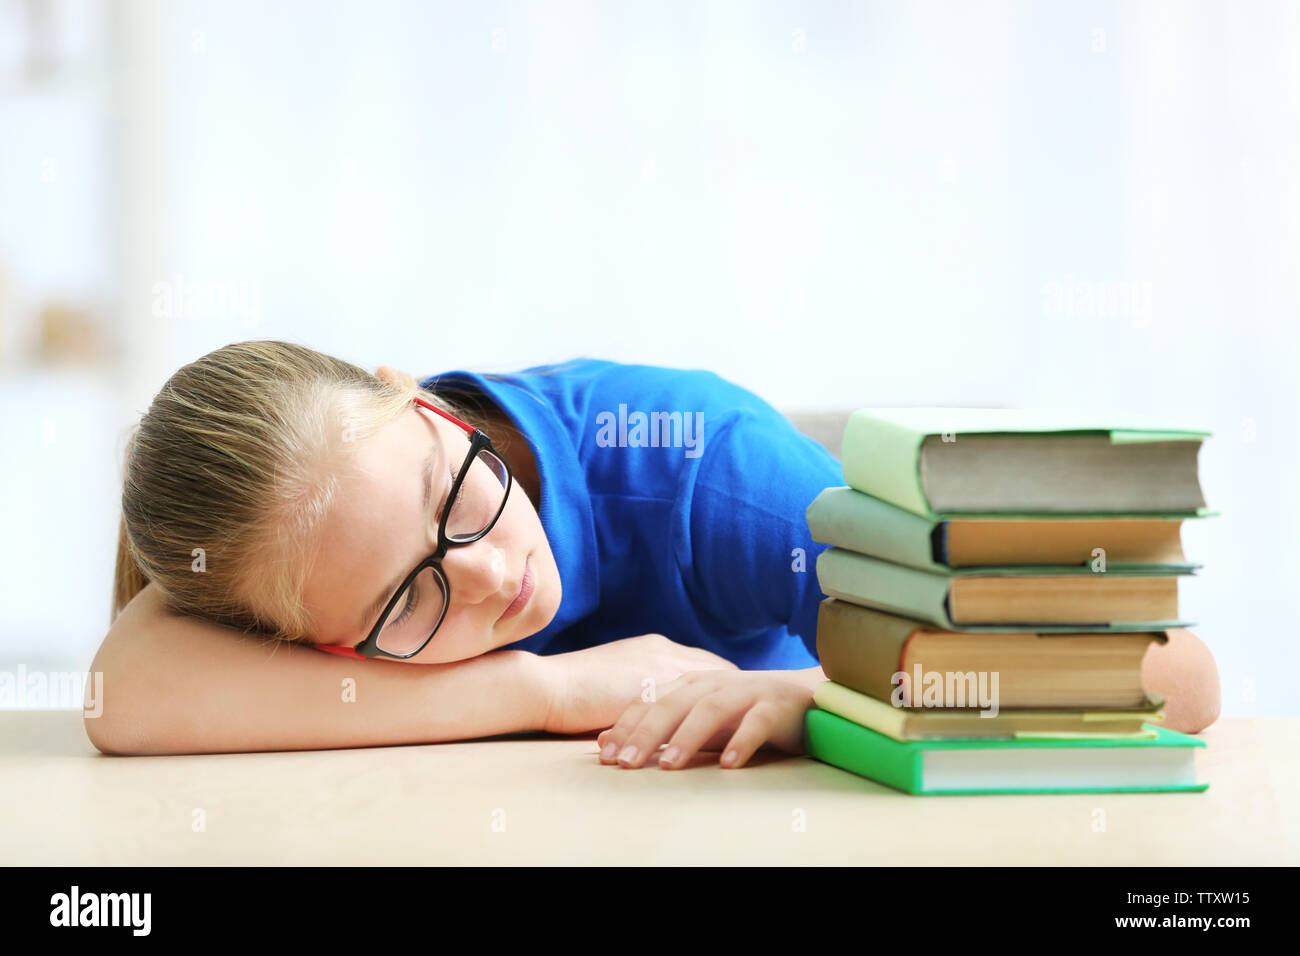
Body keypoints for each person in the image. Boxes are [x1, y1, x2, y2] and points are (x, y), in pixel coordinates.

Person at [90, 340, 1220, 767]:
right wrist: (545, 688)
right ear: (322, 639)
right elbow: (122, 687)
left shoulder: (703, 477)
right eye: (410, 600)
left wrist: (802, 694)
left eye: (458, 496)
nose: (490, 574)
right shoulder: (328, 534)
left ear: (419, 396)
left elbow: (1169, 671)